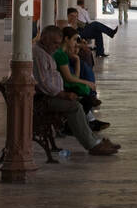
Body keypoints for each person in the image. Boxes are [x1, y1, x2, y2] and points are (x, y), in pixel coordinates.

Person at [32, 25, 119, 155]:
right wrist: (63, 94)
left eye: (58, 43)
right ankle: (92, 145)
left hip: (52, 94)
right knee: (75, 107)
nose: (57, 46)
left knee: (78, 103)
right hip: (44, 99)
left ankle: (94, 141)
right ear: (44, 39)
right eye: (54, 43)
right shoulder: (39, 55)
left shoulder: (46, 52)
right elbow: (44, 83)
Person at [55, 27, 108, 131]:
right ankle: (72, 126)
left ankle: (89, 122)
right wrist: (87, 83)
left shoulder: (64, 54)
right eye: (74, 39)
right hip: (62, 86)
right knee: (87, 98)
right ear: (66, 39)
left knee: (86, 93)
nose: (76, 43)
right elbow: (69, 78)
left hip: (64, 83)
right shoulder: (60, 54)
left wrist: (77, 60)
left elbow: (75, 77)